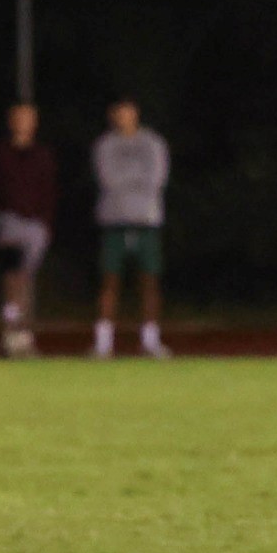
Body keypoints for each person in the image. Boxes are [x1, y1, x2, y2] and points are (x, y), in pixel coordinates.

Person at [92, 99, 170, 359]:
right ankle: (103, 344)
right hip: (114, 222)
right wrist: (135, 179)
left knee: (149, 282)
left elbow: (156, 178)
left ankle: (150, 341)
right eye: (120, 114)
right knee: (109, 281)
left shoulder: (153, 143)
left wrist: (128, 180)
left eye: (129, 114)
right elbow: (108, 179)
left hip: (147, 222)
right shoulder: (105, 145)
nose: (124, 118)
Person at [0, 101, 56, 358]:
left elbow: (49, 191)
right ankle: (11, 332)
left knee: (25, 281)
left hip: (35, 226)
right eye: (18, 118)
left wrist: (46, 224)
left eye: (28, 118)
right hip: (7, 222)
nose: (22, 123)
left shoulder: (42, 155)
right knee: (12, 281)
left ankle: (23, 334)